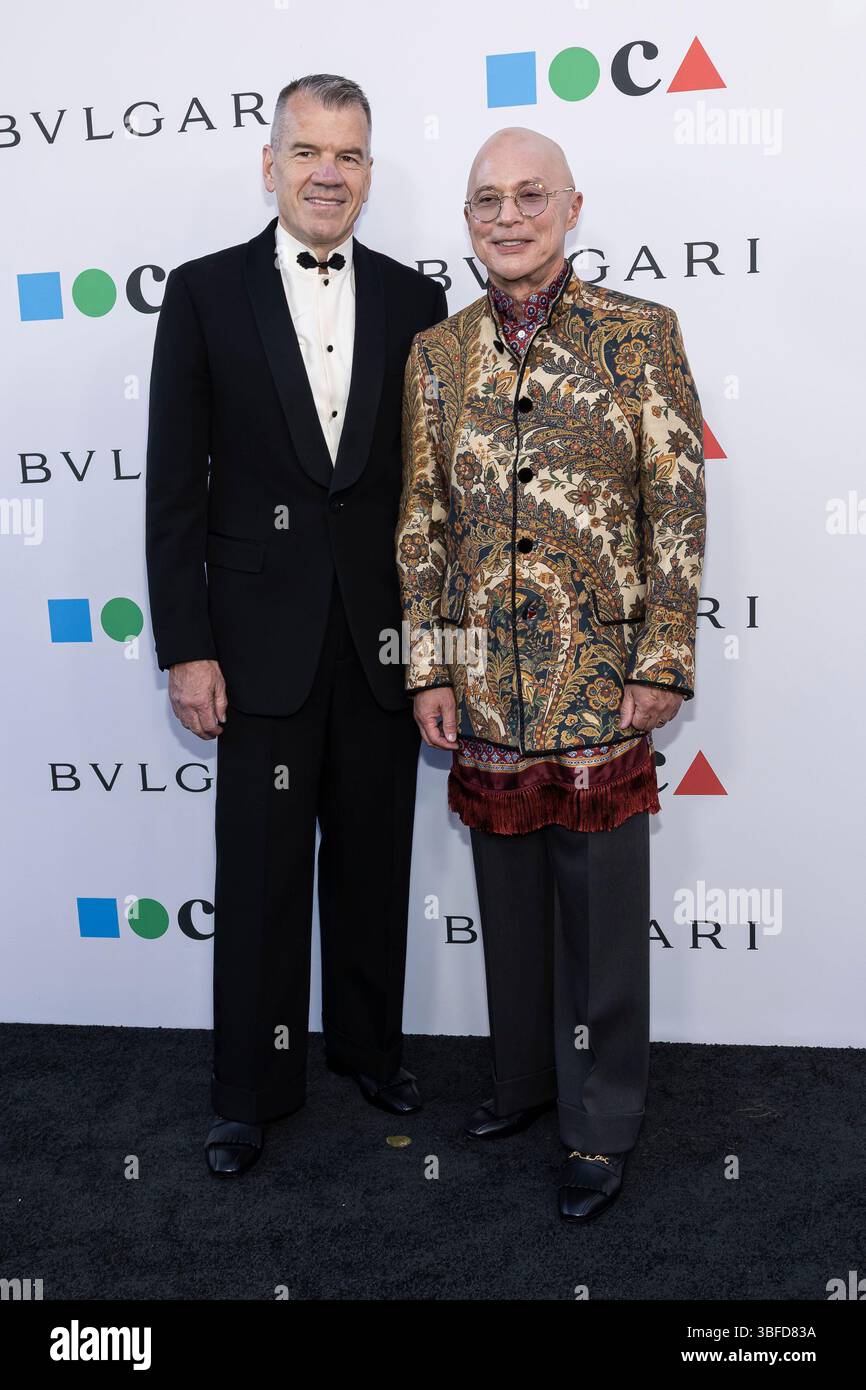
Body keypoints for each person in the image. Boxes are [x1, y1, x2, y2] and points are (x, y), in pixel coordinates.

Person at [397, 126, 705, 1221]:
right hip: (483, 687)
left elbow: (673, 503)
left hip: (599, 686)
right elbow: (423, 522)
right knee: (508, 908)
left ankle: (602, 1118)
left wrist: (662, 658)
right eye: (487, 200)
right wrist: (428, 666)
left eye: (531, 196)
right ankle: (524, 1084)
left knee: (599, 921)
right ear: (467, 219)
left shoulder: (639, 336)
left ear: (573, 208)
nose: (509, 216)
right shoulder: (437, 355)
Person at [146, 73, 448, 1177]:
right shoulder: (204, 293)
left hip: (377, 646)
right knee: (263, 875)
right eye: (309, 151)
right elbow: (174, 485)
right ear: (268, 164)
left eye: (350, 154)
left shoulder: (420, 303)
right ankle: (250, 1090)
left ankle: (368, 1052)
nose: (329, 172)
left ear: (371, 171)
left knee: (371, 861)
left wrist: (435, 655)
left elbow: (431, 502)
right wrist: (186, 642)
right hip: (253, 640)